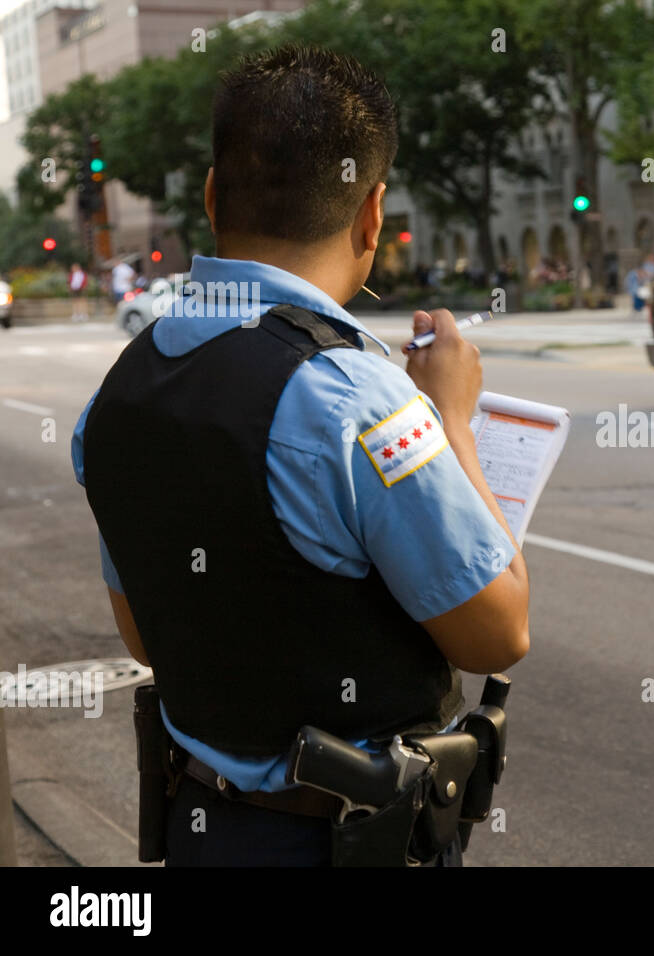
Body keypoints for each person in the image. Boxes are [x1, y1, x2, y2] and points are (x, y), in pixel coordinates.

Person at [71, 45, 529, 867]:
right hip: (342, 844)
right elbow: (498, 633)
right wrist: (453, 420)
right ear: (371, 215)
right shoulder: (357, 398)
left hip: (202, 827)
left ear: (213, 197)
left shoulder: (118, 396)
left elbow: (145, 637)